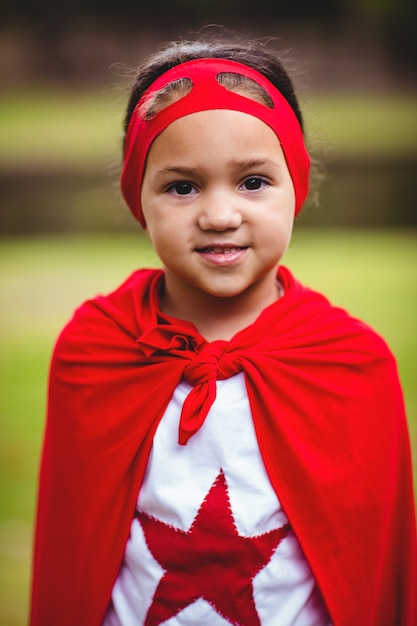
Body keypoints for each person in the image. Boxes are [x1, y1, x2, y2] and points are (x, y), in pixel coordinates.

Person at [30, 34, 416, 626]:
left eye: (253, 182)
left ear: (296, 187)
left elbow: (376, 570)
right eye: (181, 187)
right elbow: (68, 557)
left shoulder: (350, 361)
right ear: (139, 197)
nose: (219, 215)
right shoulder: (96, 348)